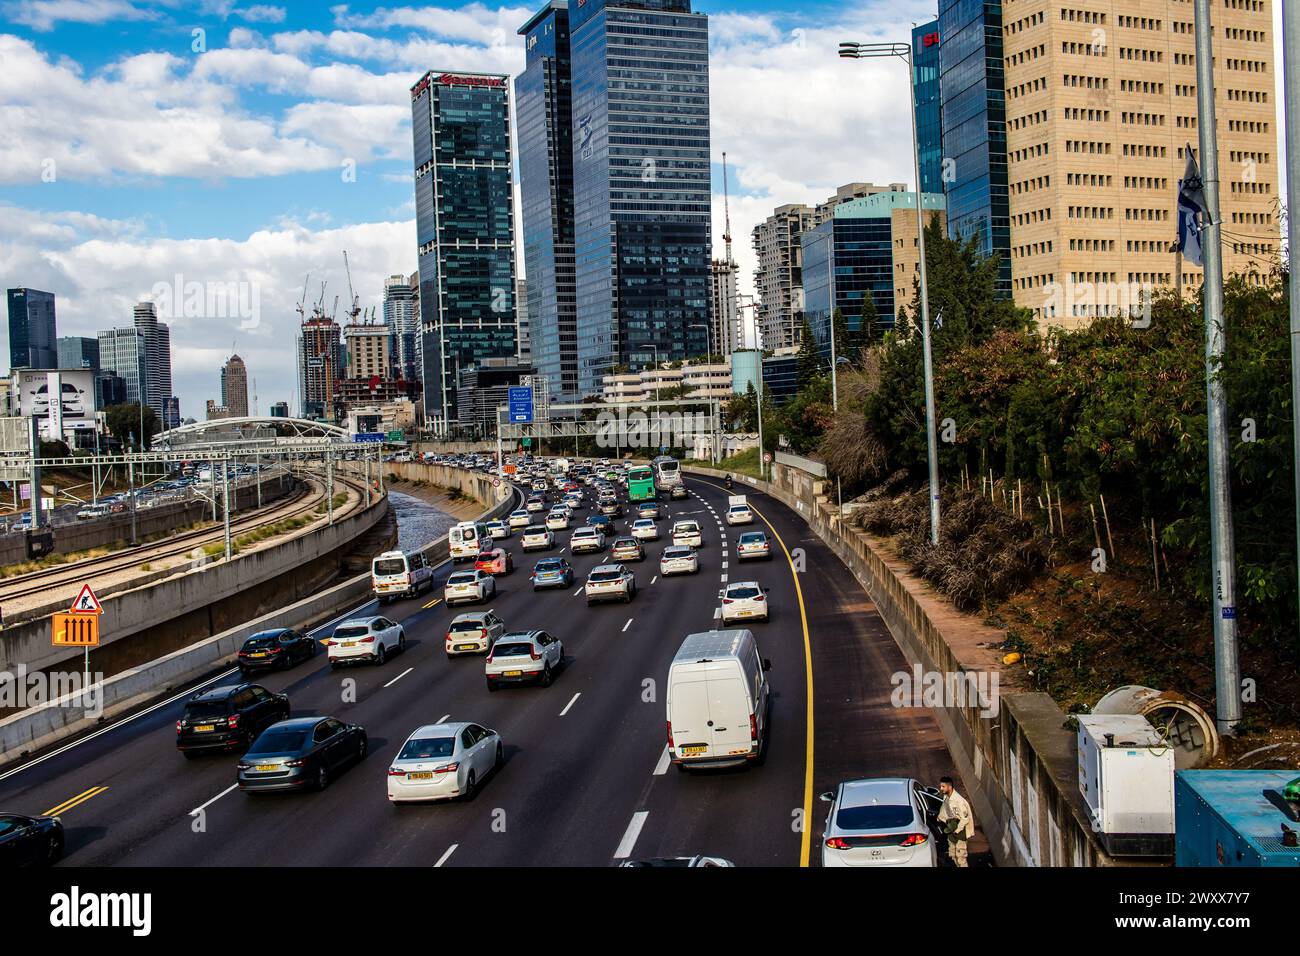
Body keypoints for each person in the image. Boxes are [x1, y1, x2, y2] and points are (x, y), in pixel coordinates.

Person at [937, 776, 974, 867]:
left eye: (943, 786)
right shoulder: (946, 797)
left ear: (950, 787)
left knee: (961, 857)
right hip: (951, 829)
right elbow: (944, 810)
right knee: (953, 854)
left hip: (959, 831)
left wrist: (957, 830)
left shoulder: (959, 801)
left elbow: (965, 819)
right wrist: (939, 818)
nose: (941, 789)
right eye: (941, 786)